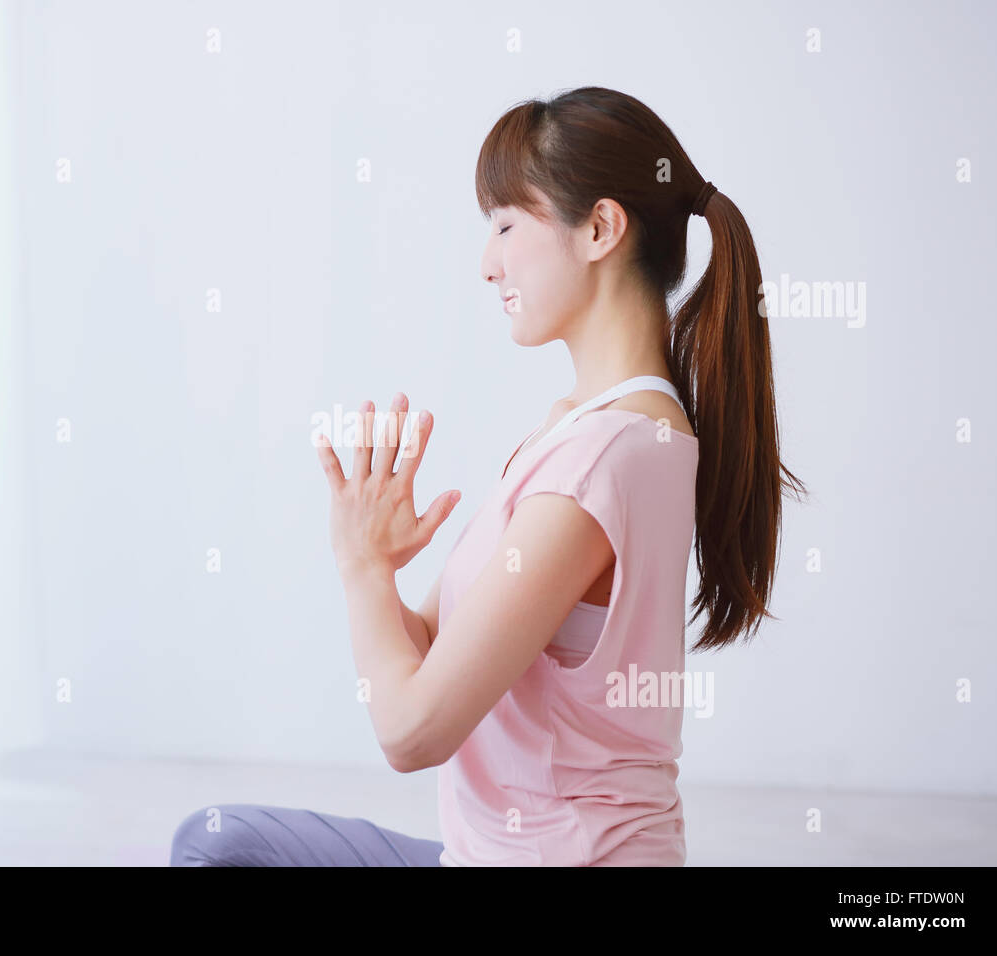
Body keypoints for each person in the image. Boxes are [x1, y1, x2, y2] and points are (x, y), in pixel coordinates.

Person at [170, 86, 807, 867]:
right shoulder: (590, 429)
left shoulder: (604, 456)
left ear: (601, 228)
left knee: (218, 852)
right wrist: (377, 565)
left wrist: (362, 566)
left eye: (506, 224)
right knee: (220, 839)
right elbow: (432, 651)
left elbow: (411, 732)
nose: (487, 263)